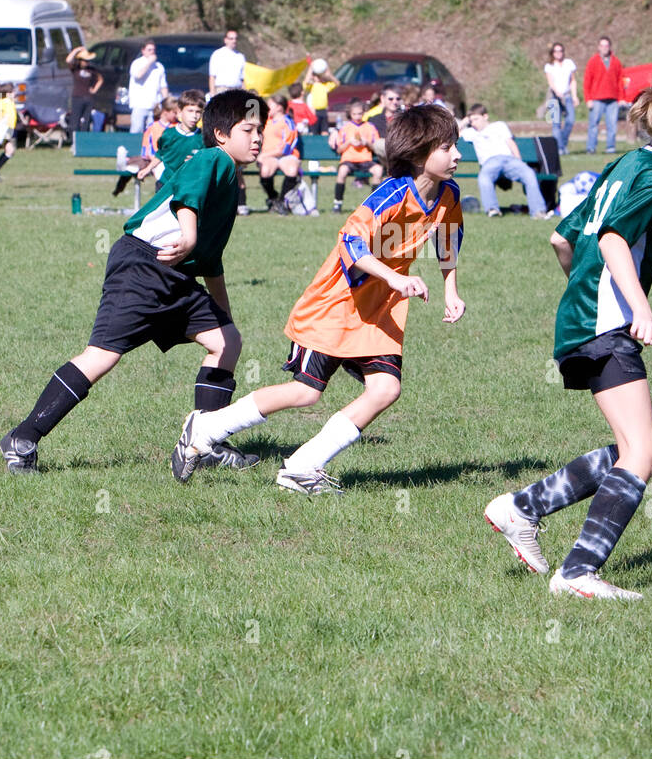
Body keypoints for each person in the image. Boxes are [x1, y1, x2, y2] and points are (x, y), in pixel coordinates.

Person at [484, 71, 652, 599]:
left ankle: (524, 507)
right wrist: (639, 308)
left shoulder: (623, 164)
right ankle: (577, 572)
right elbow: (612, 239)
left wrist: (586, 298)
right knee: (646, 450)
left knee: (629, 447)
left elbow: (560, 239)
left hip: (583, 322)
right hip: (607, 325)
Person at [169, 104, 466, 494]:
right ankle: (207, 426)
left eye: (456, 145)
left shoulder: (449, 194)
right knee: (305, 392)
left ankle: (303, 466)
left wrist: (451, 289)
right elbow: (351, 244)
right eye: (447, 147)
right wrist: (394, 276)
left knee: (385, 390)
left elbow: (449, 239)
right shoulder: (392, 194)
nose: (457, 155)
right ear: (417, 153)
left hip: (380, 309)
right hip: (335, 305)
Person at [0, 89, 264, 475]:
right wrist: (188, 235)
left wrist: (224, 313)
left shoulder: (230, 177)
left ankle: (205, 441)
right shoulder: (213, 159)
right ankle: (22, 439)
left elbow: (210, 258)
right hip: (142, 265)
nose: (258, 138)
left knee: (227, 342)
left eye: (261, 130)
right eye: (249, 129)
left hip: (175, 275)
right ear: (221, 134)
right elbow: (186, 196)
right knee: (102, 355)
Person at [459, 104, 550, 218]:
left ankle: (538, 212)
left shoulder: (499, 126)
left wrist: (519, 161)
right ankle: (493, 210)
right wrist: (464, 122)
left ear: (485, 116)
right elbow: (453, 133)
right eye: (471, 121)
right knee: (484, 177)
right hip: (489, 162)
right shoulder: (471, 132)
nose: (473, 123)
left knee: (529, 174)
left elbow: (511, 143)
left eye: (476, 119)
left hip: (509, 160)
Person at [114, 97, 178, 198]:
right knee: (135, 166)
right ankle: (118, 188)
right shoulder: (152, 127)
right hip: (152, 160)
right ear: (166, 112)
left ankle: (164, 197)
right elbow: (146, 149)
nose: (177, 115)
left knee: (162, 171)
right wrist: (154, 159)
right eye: (175, 112)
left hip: (168, 161)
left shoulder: (177, 127)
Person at [329, 99, 384, 212]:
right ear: (350, 114)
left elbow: (376, 147)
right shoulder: (345, 128)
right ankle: (337, 203)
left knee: (378, 170)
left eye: (360, 113)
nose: (357, 116)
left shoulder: (370, 127)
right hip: (349, 159)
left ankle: (374, 204)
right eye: (354, 114)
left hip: (365, 159)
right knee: (342, 171)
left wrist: (367, 143)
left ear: (363, 113)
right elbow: (339, 149)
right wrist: (349, 142)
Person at [257, 95, 301, 214]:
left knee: (292, 170)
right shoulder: (266, 121)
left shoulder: (288, 122)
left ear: (279, 108)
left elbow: (286, 149)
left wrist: (264, 155)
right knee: (265, 171)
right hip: (270, 157)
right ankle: (273, 198)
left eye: (269, 105)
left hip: (286, 156)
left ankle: (281, 201)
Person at [583, 36, 626, 154]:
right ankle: (591, 148)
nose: (604, 48)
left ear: (610, 47)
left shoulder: (616, 62)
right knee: (593, 125)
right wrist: (588, 99)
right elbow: (587, 81)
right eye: (602, 46)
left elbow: (620, 81)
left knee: (612, 125)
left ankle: (610, 147)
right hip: (597, 98)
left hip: (612, 98)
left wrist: (621, 97)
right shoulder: (593, 61)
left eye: (606, 46)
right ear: (598, 47)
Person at [543, 42, 579, 155]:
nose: (558, 53)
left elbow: (572, 80)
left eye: (560, 51)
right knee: (556, 124)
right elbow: (550, 82)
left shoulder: (569, 63)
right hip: (554, 97)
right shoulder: (549, 66)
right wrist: (557, 92)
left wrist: (574, 96)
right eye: (556, 51)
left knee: (570, 120)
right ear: (552, 53)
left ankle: (562, 143)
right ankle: (559, 148)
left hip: (567, 96)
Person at [127, 41, 169, 134]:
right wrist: (149, 62)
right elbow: (138, 75)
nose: (152, 52)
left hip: (154, 105)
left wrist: (166, 102)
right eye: (149, 50)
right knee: (137, 130)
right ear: (143, 51)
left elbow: (163, 86)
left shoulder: (159, 66)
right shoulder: (137, 63)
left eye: (153, 50)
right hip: (139, 104)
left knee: (153, 131)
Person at [67, 46, 103, 134]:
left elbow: (100, 79)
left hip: (88, 98)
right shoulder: (75, 68)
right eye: (84, 60)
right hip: (77, 97)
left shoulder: (92, 70)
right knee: (75, 120)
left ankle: (84, 140)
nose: (86, 62)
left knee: (86, 121)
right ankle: (74, 141)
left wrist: (94, 90)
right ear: (80, 60)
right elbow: (68, 60)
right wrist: (76, 50)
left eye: (87, 60)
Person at [303, 57, 339, 134]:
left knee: (324, 132)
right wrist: (310, 69)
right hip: (314, 112)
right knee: (314, 132)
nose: (318, 78)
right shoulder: (312, 86)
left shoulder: (325, 85)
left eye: (319, 76)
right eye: (316, 76)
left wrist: (329, 74)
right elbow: (305, 84)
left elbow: (337, 83)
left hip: (323, 111)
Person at [208, 29, 246, 98]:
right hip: (222, 90)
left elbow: (242, 78)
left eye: (235, 39)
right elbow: (212, 76)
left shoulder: (240, 56)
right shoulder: (217, 54)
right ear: (225, 40)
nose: (234, 41)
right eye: (231, 39)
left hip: (237, 90)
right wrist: (212, 93)